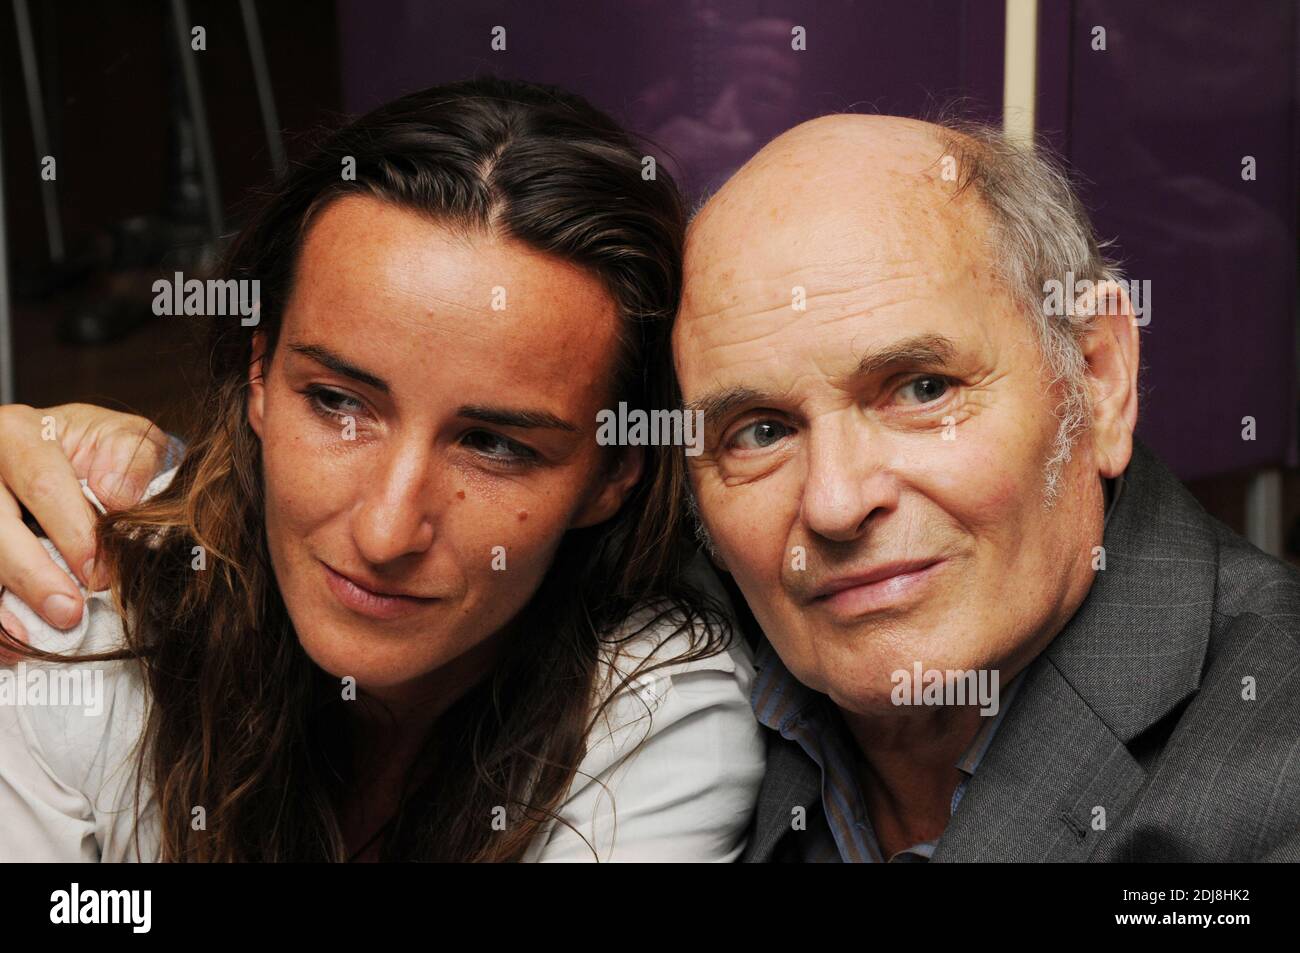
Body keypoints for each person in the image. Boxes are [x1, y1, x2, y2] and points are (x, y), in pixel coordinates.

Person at [0, 76, 765, 862]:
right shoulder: (78, 615)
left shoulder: (655, 712)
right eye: (337, 402)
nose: (387, 528)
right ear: (258, 373)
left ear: (613, 474)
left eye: (495, 444)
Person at [673, 113, 1300, 861]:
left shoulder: (1275, 767)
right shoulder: (669, 699)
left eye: (922, 388)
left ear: (1096, 379)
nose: (836, 503)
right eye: (761, 432)